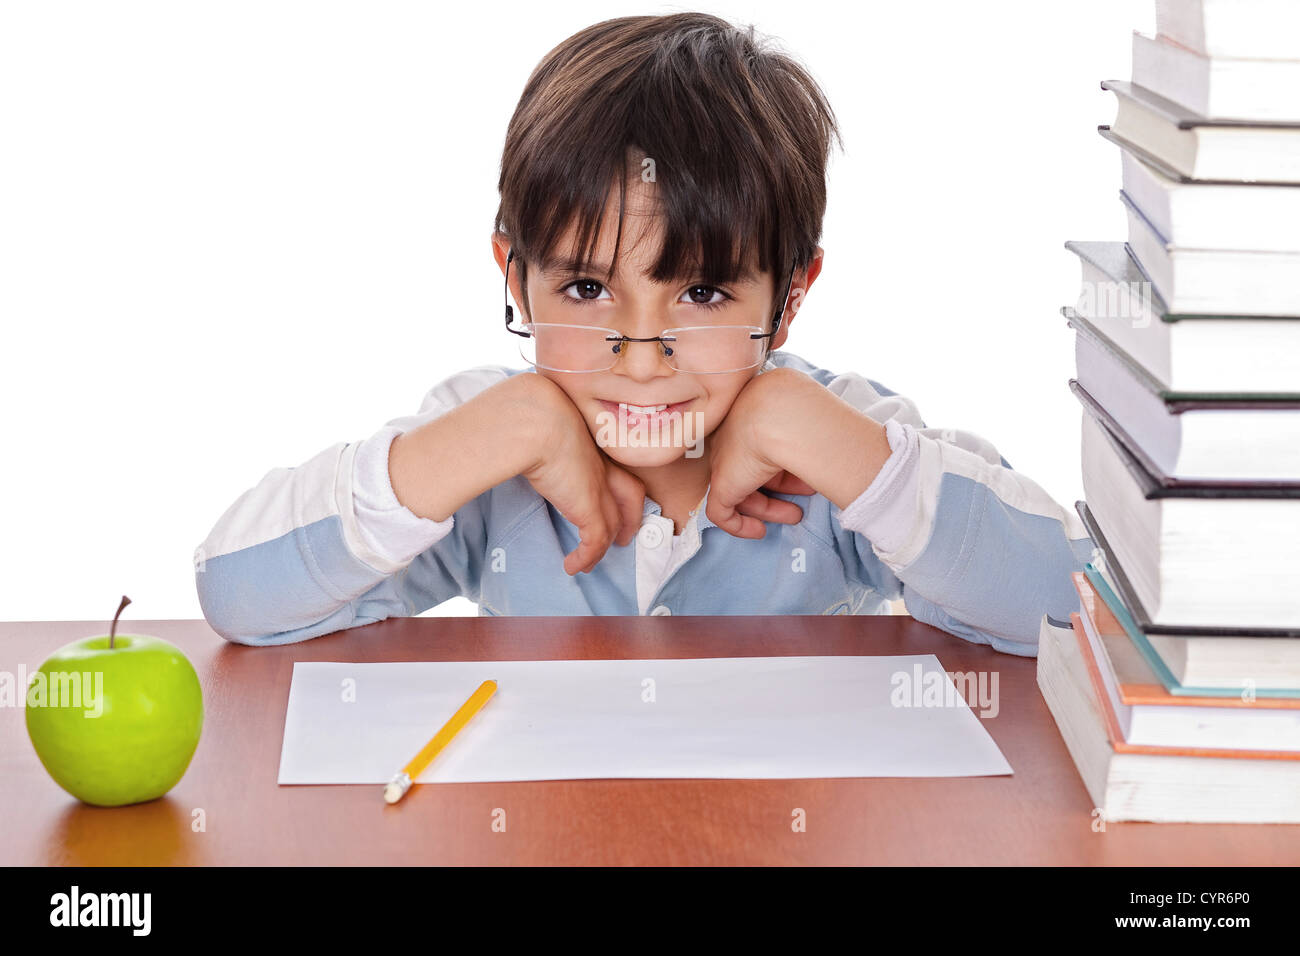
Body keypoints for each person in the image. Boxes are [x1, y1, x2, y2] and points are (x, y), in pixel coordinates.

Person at [195, 12, 1093, 653]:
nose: (639, 352)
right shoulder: (486, 450)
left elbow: (1080, 611)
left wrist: (827, 440)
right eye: (587, 287)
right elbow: (237, 598)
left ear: (788, 299)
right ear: (515, 276)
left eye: (700, 293)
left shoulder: (837, 441)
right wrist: (498, 433)